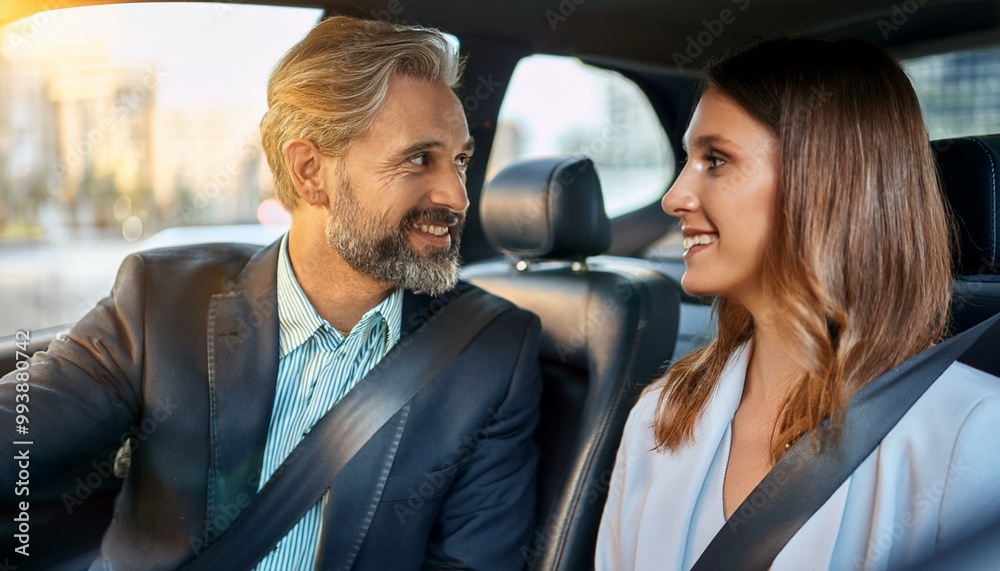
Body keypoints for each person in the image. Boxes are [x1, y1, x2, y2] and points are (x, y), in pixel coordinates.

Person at [0, 16, 542, 570]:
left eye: (460, 160)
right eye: (418, 158)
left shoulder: (492, 352)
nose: (457, 194)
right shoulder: (160, 300)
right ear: (310, 172)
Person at [596, 37, 1000, 570]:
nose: (674, 197)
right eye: (687, 160)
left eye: (715, 160)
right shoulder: (661, 413)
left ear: (826, 181)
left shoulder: (972, 431)